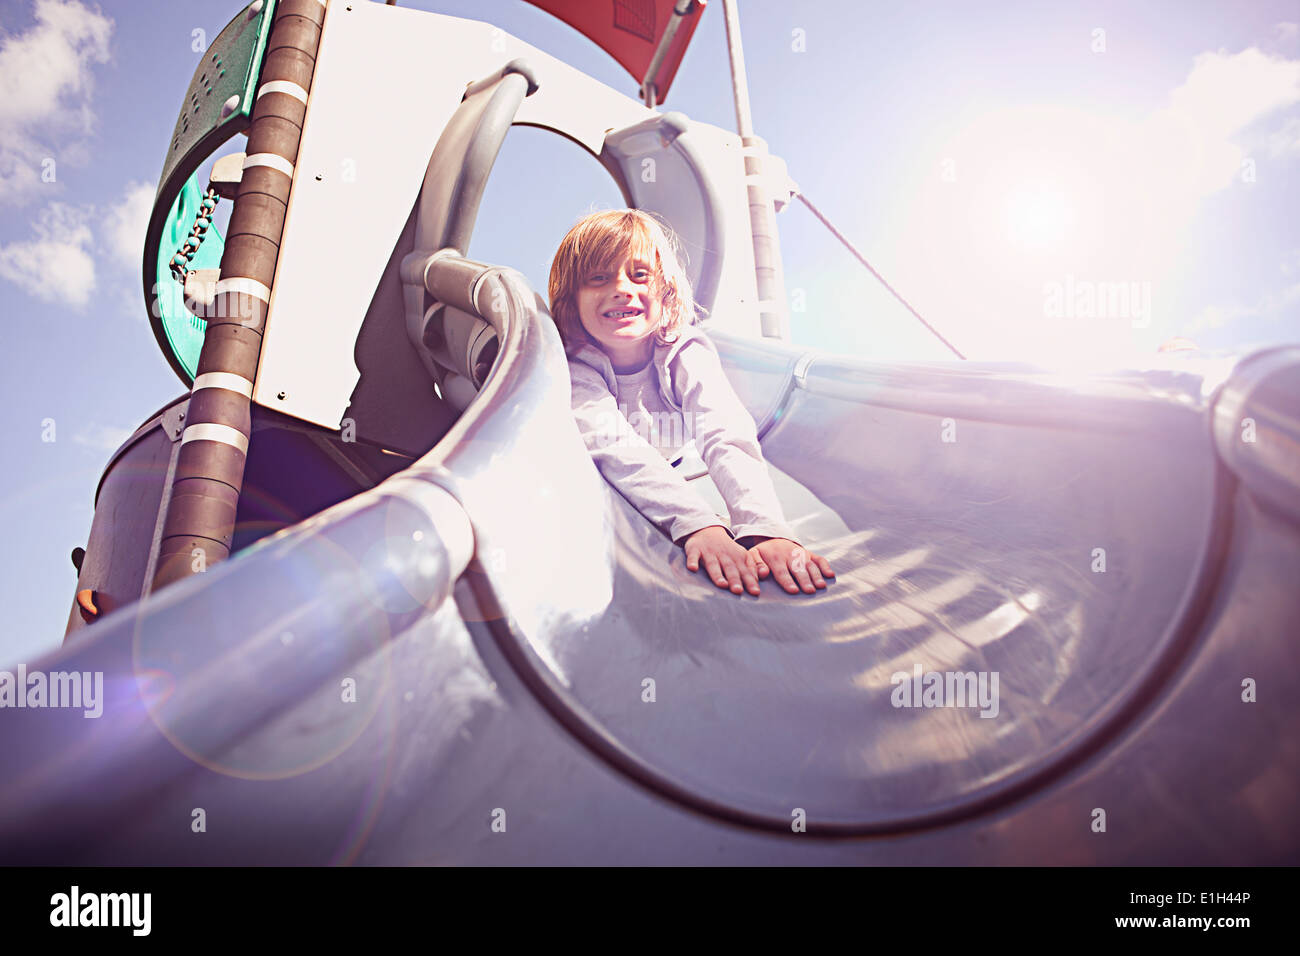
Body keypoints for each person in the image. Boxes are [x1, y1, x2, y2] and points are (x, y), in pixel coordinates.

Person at [547, 208, 834, 597]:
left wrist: (763, 526)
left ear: (665, 290)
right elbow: (615, 447)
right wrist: (698, 523)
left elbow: (724, 432)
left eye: (639, 275)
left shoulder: (683, 350)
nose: (621, 288)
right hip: (604, 488)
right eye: (598, 278)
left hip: (673, 467)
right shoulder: (576, 368)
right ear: (572, 300)